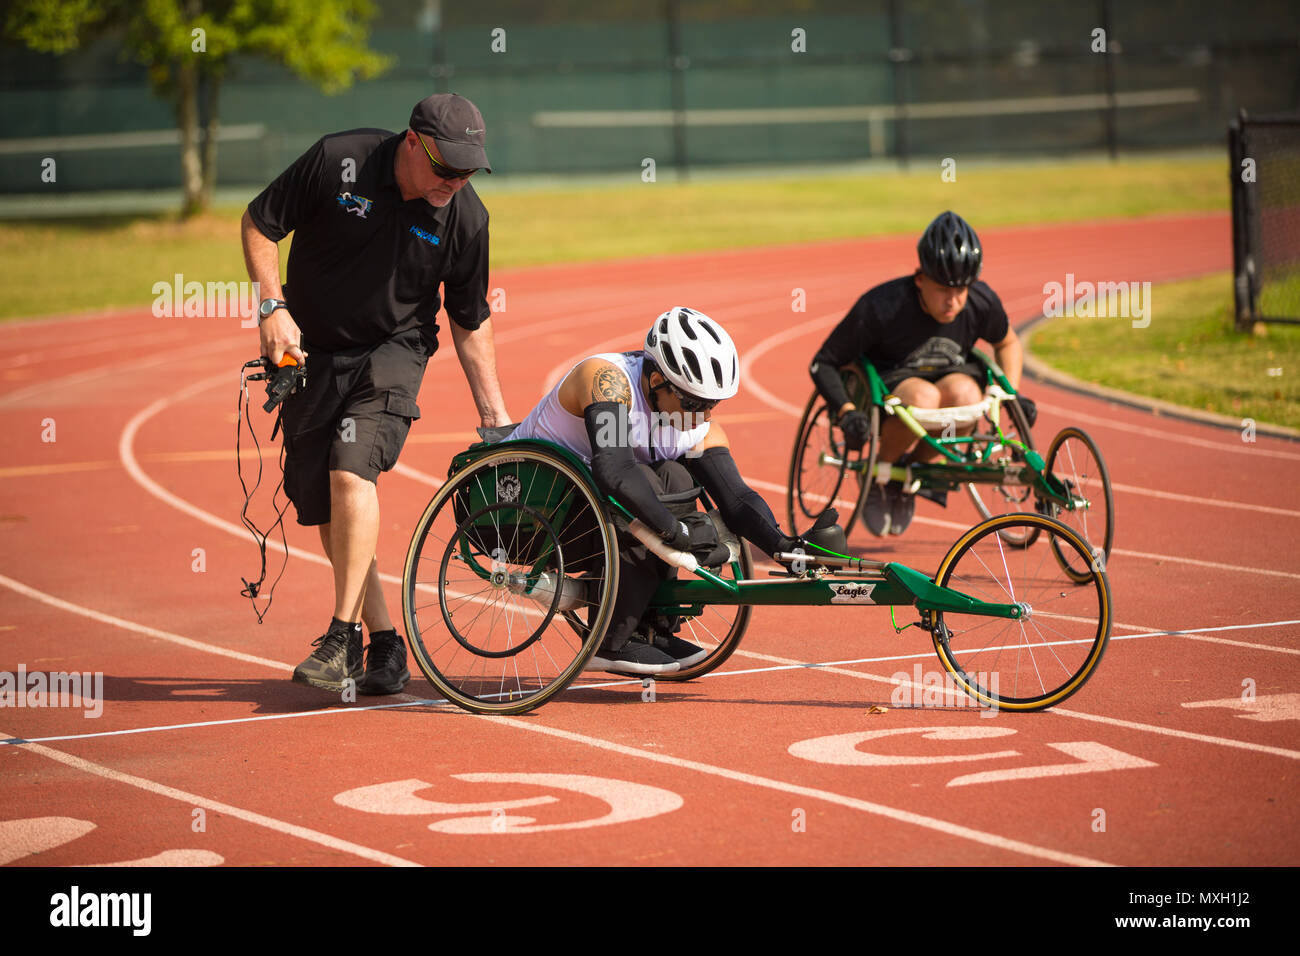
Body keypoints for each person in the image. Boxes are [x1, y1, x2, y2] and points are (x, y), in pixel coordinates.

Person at [241, 93, 510, 695]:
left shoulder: (466, 218)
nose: (455, 182)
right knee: (326, 505)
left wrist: (497, 424)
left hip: (395, 351)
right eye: (447, 168)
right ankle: (386, 641)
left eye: (469, 171)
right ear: (413, 143)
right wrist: (270, 308)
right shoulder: (340, 160)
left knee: (351, 467)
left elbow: (469, 319)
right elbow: (259, 223)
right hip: (311, 353)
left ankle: (342, 639)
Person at [510, 307, 810, 675]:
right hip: (522, 512)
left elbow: (735, 498)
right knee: (643, 485)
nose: (703, 417)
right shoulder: (606, 380)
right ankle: (611, 641)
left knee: (675, 479)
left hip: (581, 518)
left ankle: (652, 629)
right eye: (693, 404)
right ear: (655, 382)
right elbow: (614, 471)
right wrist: (677, 531)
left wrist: (786, 548)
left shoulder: (696, 423)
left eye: (711, 405)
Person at [808, 210, 1026, 536]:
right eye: (942, 289)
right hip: (887, 385)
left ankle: (912, 471)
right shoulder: (882, 306)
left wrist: (1011, 394)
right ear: (920, 278)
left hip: (951, 376)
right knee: (925, 397)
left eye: (961, 289)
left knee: (968, 396)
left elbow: (1007, 343)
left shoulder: (981, 302)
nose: (953, 300)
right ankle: (881, 471)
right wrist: (847, 410)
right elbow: (823, 362)